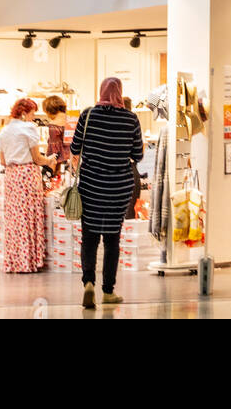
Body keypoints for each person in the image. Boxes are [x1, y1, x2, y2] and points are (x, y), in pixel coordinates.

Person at [71, 77, 143, 308]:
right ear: (120, 93)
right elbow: (138, 155)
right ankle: (108, 291)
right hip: (118, 186)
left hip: (91, 184)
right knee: (112, 239)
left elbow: (74, 147)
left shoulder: (88, 115)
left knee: (89, 237)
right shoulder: (131, 119)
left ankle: (88, 283)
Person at [0, 97, 56, 273]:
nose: (33, 117)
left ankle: (14, 261)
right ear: (24, 113)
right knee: (28, 217)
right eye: (32, 113)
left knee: (14, 219)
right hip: (27, 175)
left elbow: (2, 160)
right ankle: (29, 261)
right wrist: (50, 160)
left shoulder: (4, 131)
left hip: (11, 176)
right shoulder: (28, 128)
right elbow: (37, 158)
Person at [43, 95, 69, 178]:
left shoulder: (54, 125)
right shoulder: (72, 120)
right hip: (73, 161)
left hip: (60, 165)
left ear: (49, 110)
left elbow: (54, 151)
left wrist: (50, 171)